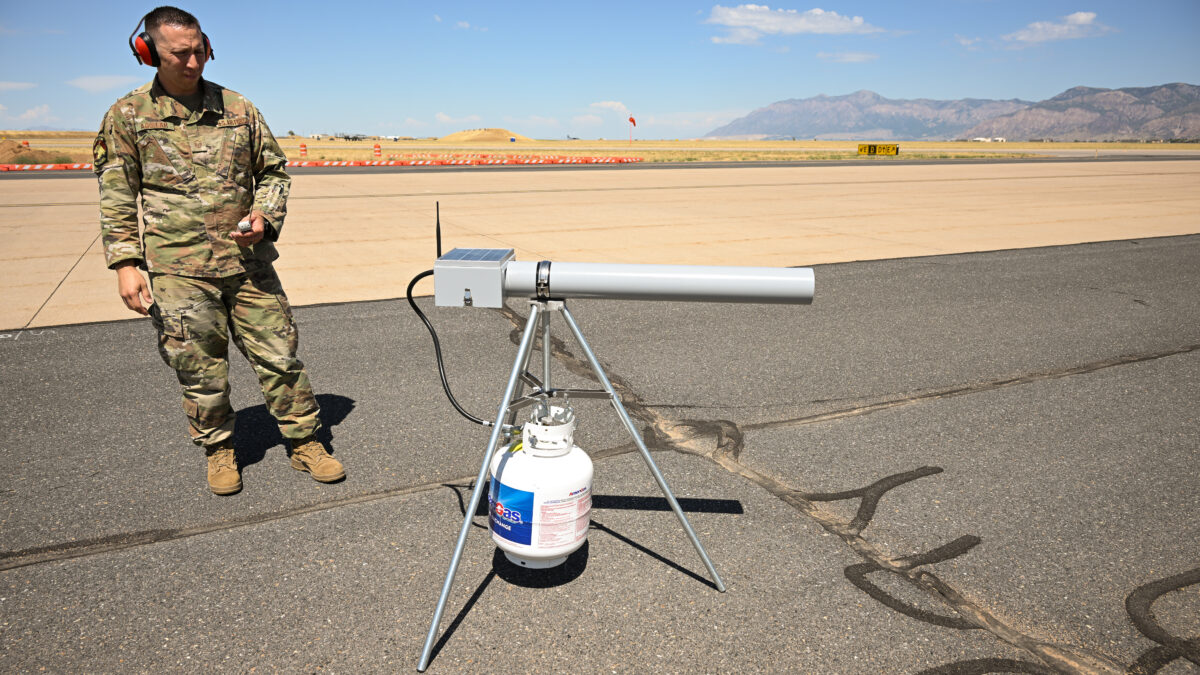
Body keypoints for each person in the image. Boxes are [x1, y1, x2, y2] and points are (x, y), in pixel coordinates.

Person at [93, 6, 344, 495]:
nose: (192, 63)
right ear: (148, 53)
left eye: (198, 51)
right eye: (178, 54)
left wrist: (265, 217)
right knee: (199, 368)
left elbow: (273, 173)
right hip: (177, 269)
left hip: (247, 264)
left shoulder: (239, 108)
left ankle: (305, 442)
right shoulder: (127, 116)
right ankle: (219, 449)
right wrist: (126, 264)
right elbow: (117, 191)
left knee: (280, 358)